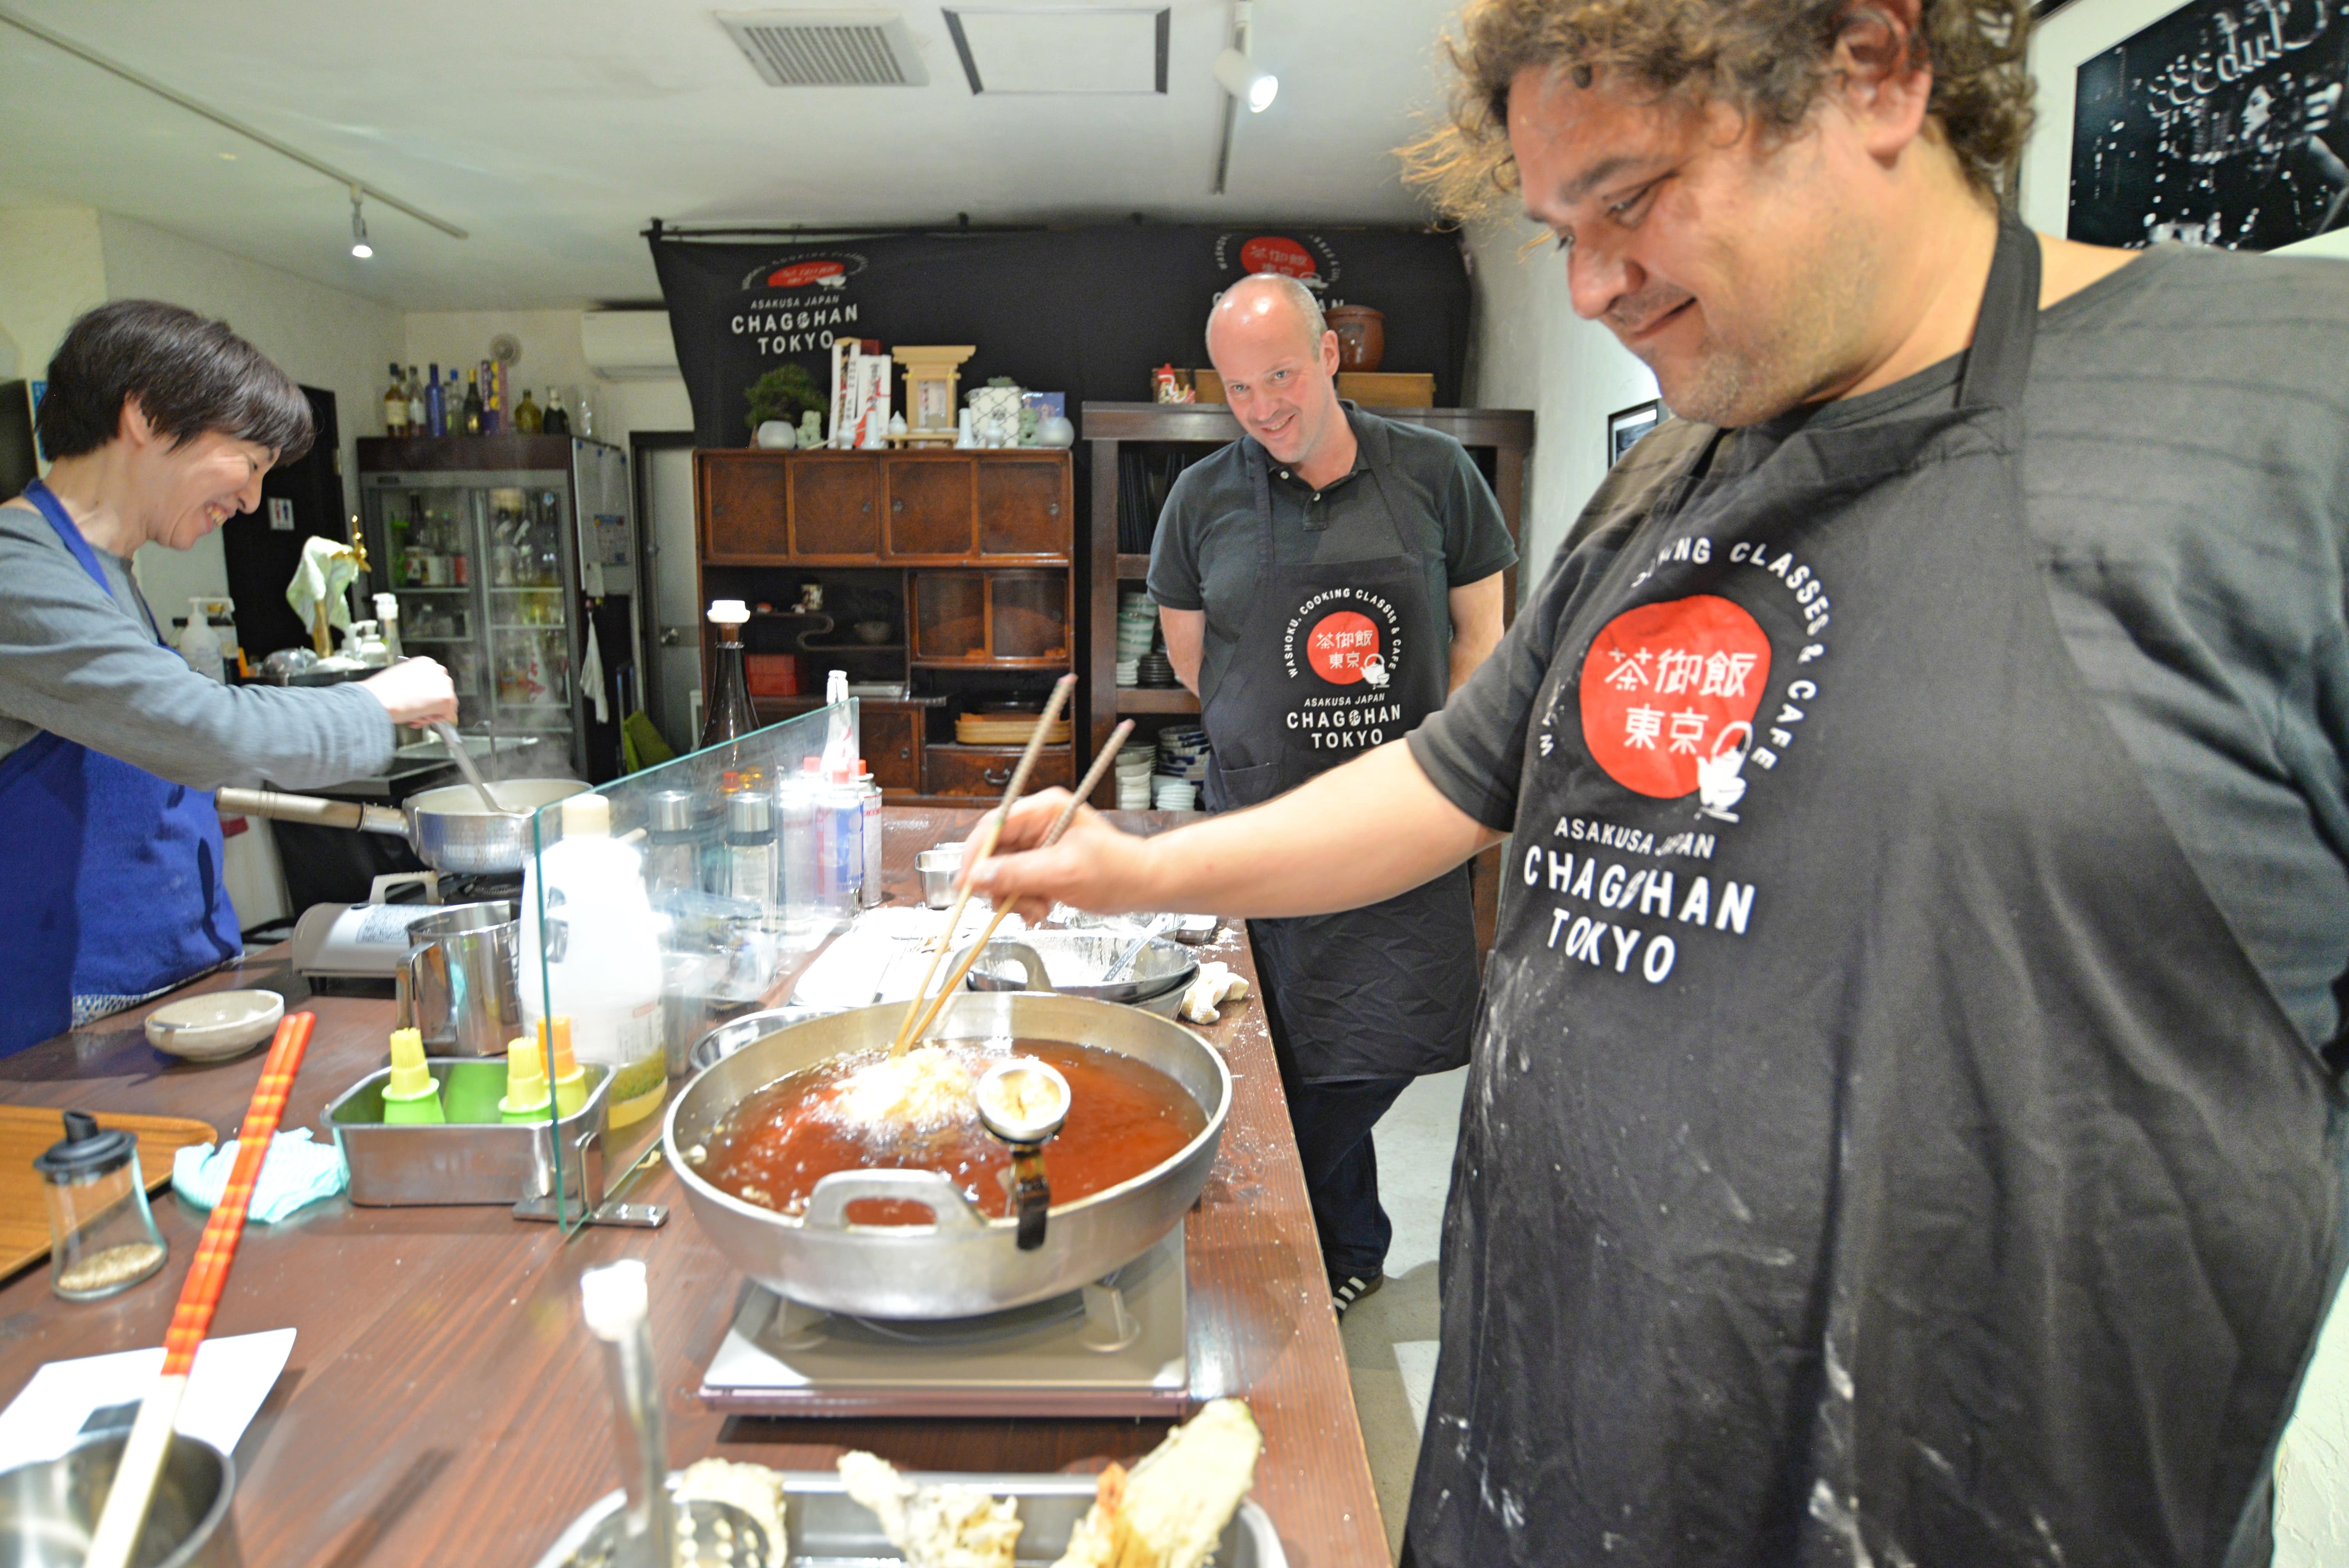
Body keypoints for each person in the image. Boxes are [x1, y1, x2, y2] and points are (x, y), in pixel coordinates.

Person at [968, 0, 2349, 1562]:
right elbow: (1450, 771)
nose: (1592, 284)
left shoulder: (2293, 428)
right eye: (1560, 229)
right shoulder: (1658, 482)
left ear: (1878, 69)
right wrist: (1140, 866)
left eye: (1626, 201)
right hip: (1550, 1464)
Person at [1149, 272, 1517, 1316]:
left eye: (1281, 375)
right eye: (1239, 388)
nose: (1264, 405)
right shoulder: (1201, 500)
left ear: (1329, 357)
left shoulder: (1439, 475)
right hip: (1265, 832)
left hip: (1400, 828)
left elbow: (1483, 642)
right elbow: (1192, 655)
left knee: (1379, 1044)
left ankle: (1236, 1219)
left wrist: (1434, 779)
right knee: (1288, 1050)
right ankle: (1346, 1242)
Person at [0, 300, 456, 1055]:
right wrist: (375, 703)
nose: (249, 500)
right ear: (144, 417)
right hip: (61, 1019)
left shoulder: (107, 571)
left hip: (159, 992)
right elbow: (201, 729)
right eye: (248, 464)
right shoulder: (19, 571)